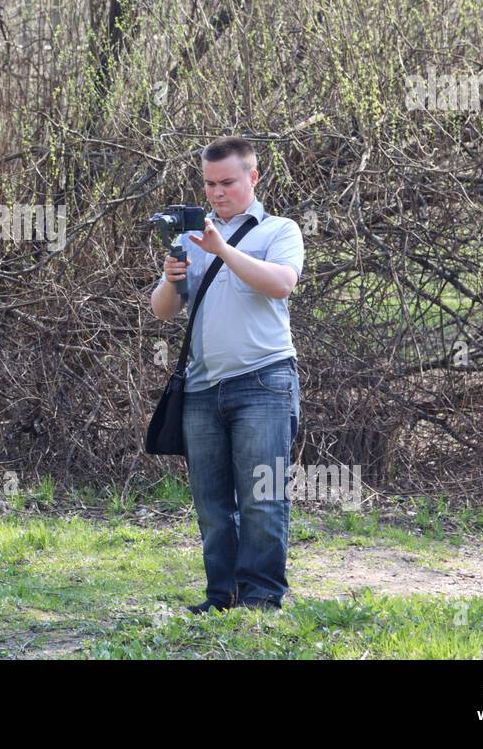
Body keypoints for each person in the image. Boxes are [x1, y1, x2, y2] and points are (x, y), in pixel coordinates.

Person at [149, 136, 304, 613]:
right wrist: (174, 276)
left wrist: (221, 251)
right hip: (200, 388)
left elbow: (281, 283)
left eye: (227, 183)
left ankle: (261, 599)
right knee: (213, 505)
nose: (216, 193)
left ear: (252, 178)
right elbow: (162, 312)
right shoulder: (191, 238)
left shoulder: (280, 230)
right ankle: (222, 598)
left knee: (262, 499)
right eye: (209, 184)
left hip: (264, 382)